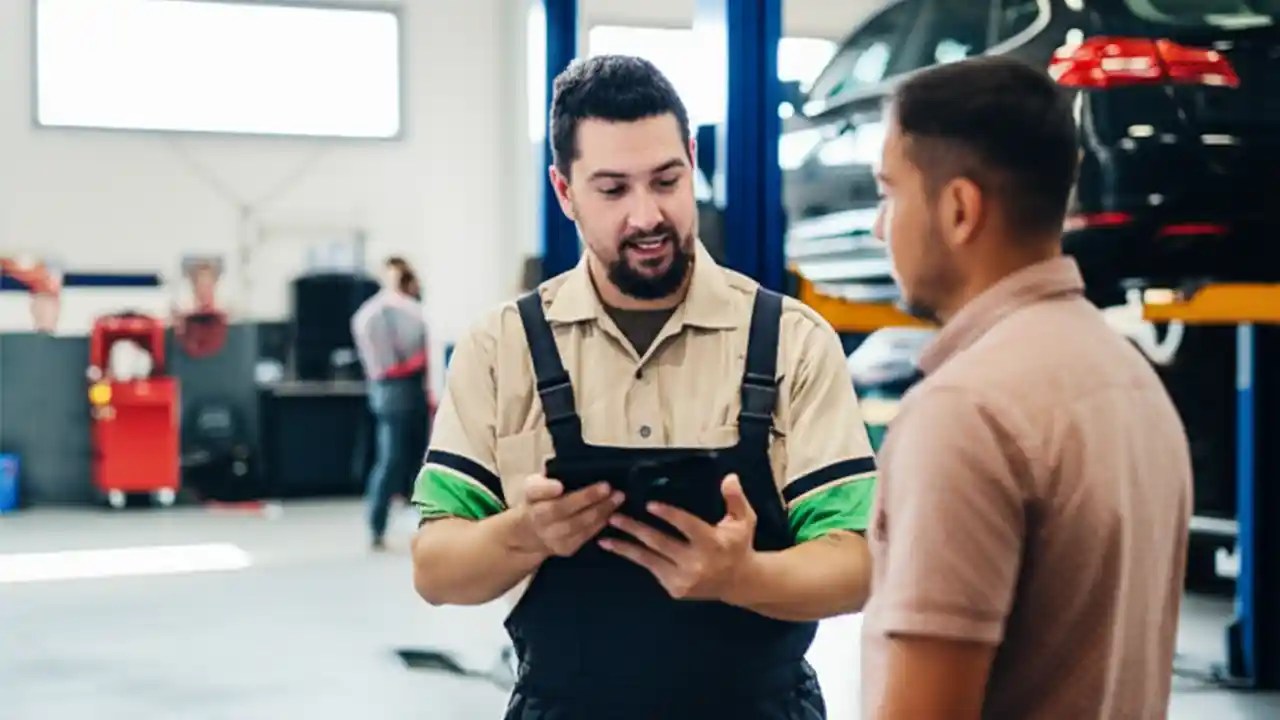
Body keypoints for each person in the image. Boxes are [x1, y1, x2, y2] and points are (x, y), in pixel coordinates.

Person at [410, 55, 877, 719]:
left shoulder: (791, 341)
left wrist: (744, 577)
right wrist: (527, 533)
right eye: (612, 189)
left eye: (666, 180)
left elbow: (857, 565)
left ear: (692, 161)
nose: (646, 215)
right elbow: (434, 568)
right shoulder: (502, 349)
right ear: (564, 191)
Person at [860, 56, 1193, 719]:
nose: (878, 226)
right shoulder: (1131, 380)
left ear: (959, 208)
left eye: (888, 193)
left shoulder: (965, 413)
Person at [351, 256, 430, 550]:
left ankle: (419, 522)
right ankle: (377, 524)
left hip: (405, 394)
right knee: (392, 459)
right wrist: (422, 361)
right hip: (394, 394)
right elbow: (385, 366)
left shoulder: (399, 311)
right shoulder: (380, 313)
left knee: (414, 462)